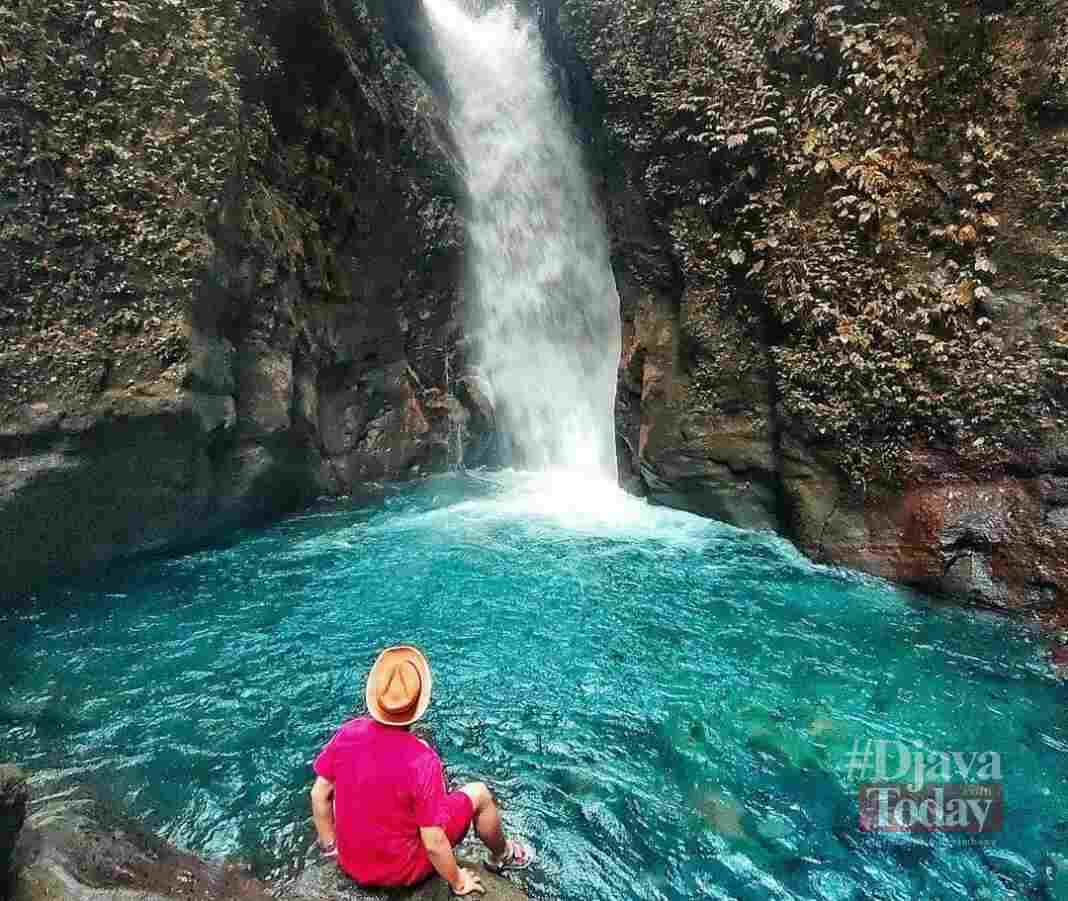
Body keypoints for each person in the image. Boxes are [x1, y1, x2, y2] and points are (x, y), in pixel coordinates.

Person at [310, 645, 534, 896]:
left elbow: (319, 795)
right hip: (401, 871)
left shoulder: (348, 733)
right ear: (419, 704)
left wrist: (332, 848)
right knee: (479, 793)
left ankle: (339, 851)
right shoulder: (423, 760)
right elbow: (433, 842)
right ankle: (503, 855)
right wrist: (458, 881)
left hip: (352, 863)